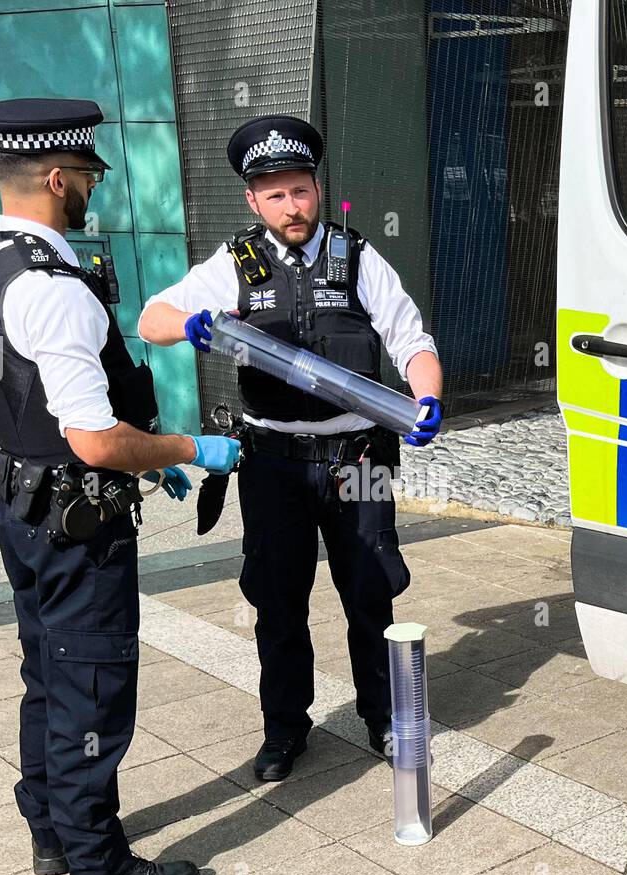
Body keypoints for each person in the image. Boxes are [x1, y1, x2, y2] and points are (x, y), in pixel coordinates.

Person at [0, 98, 240, 875]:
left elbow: (28, 404)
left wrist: (139, 454)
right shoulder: (54, 289)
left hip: (23, 508)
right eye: (85, 176)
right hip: (78, 524)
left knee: (47, 674)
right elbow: (93, 440)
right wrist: (189, 450)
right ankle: (99, 869)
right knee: (91, 691)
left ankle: (49, 827)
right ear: (55, 177)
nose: (90, 189)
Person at [138, 115, 443, 782]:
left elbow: (412, 340)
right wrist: (190, 323)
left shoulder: (357, 258)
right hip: (273, 461)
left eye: (299, 191)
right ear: (253, 201)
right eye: (274, 195)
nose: (290, 206)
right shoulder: (236, 264)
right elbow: (150, 318)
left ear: (317, 189)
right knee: (278, 602)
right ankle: (285, 729)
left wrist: (425, 398)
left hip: (356, 457)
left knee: (371, 593)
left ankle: (387, 719)